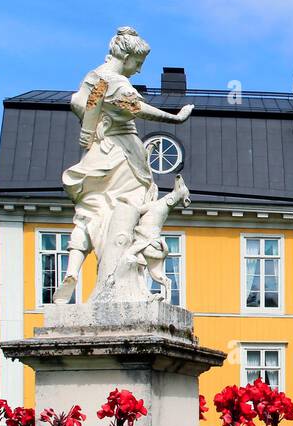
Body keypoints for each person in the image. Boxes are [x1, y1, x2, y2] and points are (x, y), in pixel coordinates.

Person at [52, 27, 192, 304]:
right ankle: (121, 284)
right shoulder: (115, 81)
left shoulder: (93, 77)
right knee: (129, 219)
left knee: (90, 212)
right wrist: (175, 118)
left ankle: (72, 272)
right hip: (122, 155)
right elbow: (135, 108)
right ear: (126, 56)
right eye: (138, 64)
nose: (139, 70)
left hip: (96, 154)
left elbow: (83, 105)